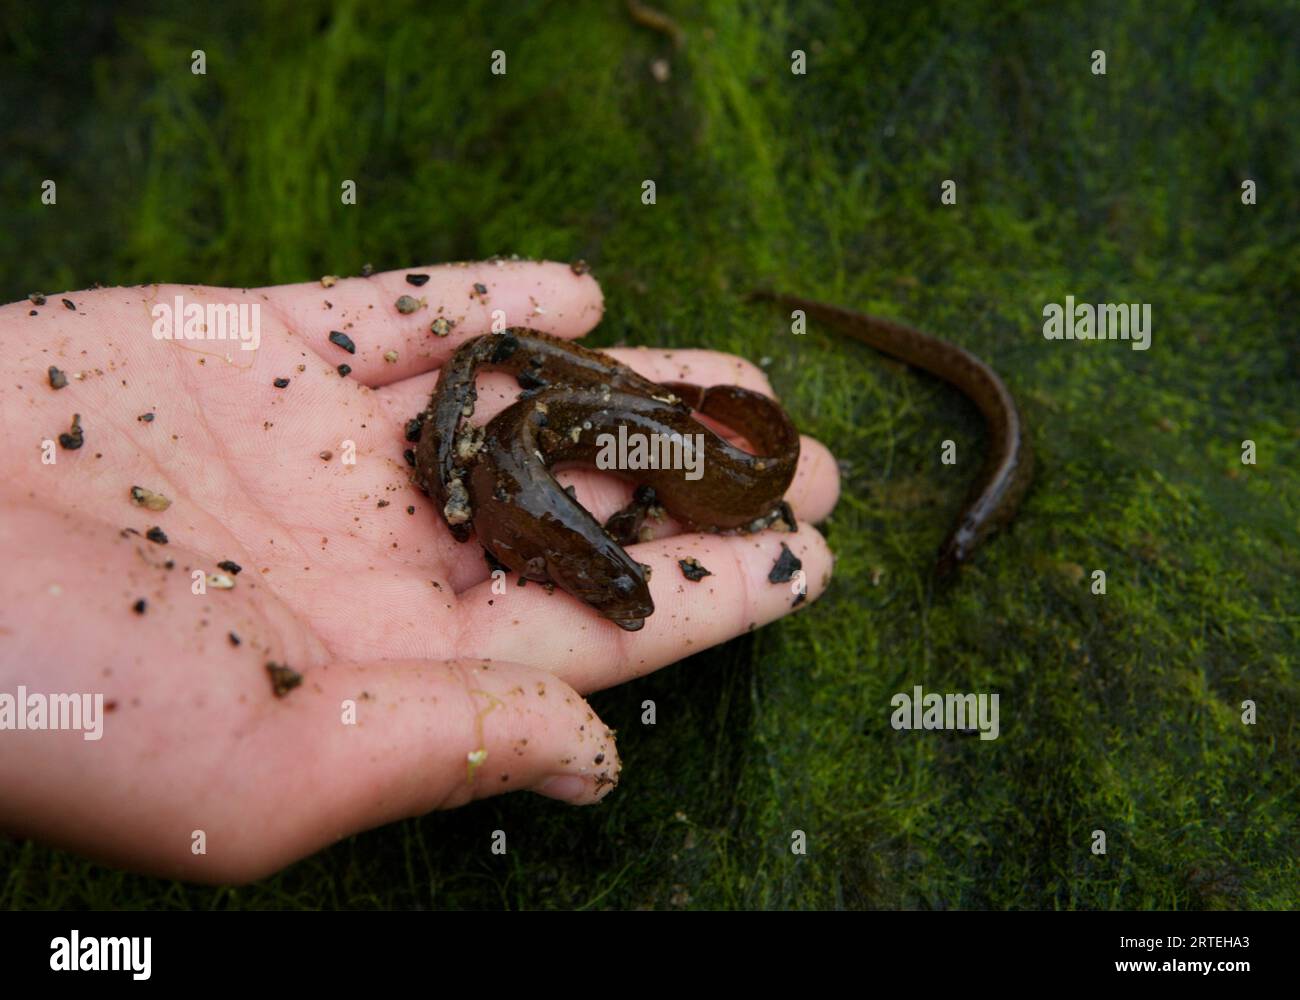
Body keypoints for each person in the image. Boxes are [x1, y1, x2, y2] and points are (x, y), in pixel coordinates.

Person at [0, 260, 838, 882]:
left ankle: (642, 467)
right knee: (551, 461)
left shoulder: (602, 473)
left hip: (573, 445)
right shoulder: (541, 496)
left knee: (593, 458)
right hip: (547, 451)